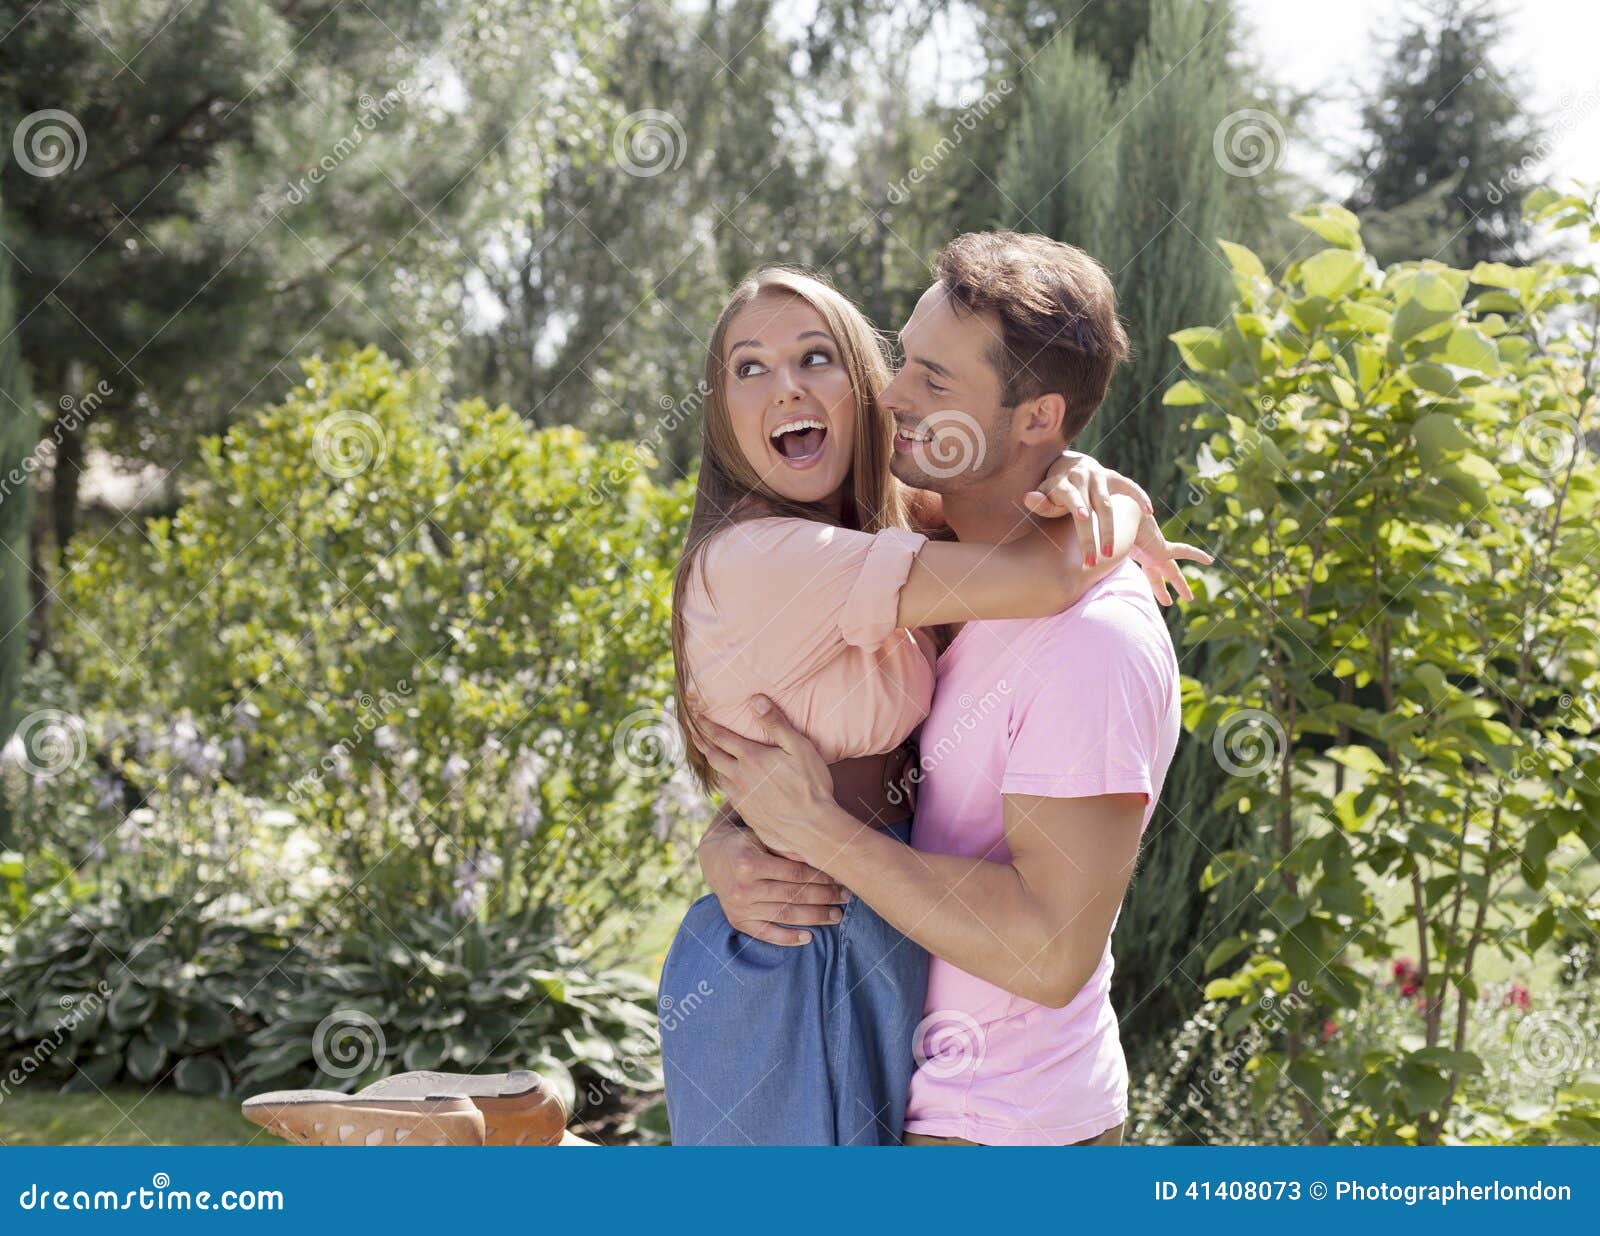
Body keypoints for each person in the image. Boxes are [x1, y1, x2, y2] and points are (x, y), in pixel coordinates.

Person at [659, 259, 1205, 1145]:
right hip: (820, 978)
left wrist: (1093, 484)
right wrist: (745, 835)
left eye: (929, 376)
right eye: (898, 362)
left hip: (996, 1115)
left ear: (1034, 416)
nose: (892, 394)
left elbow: (1047, 948)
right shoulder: (840, 559)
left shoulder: (1080, 635)